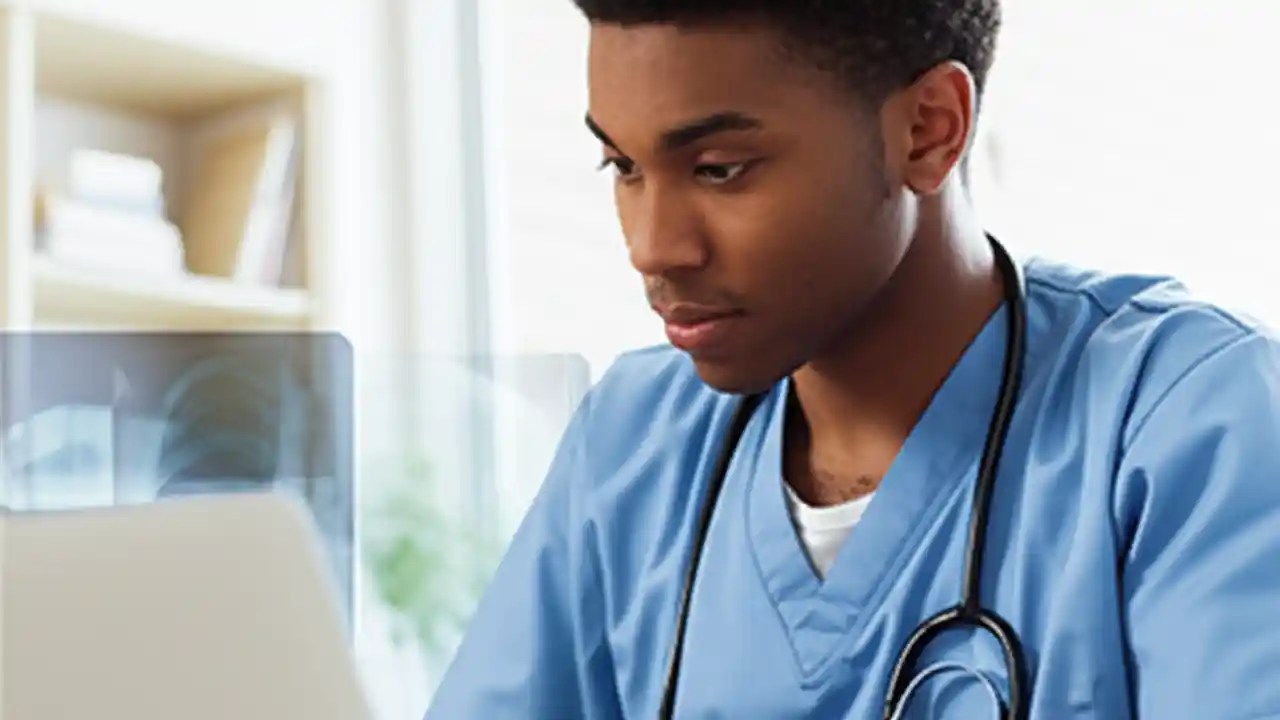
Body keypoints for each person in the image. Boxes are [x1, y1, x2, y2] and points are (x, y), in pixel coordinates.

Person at [426, 1, 1280, 717]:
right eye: (623, 165)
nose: (654, 248)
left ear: (927, 130)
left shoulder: (1188, 421)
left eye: (720, 170)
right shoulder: (633, 443)